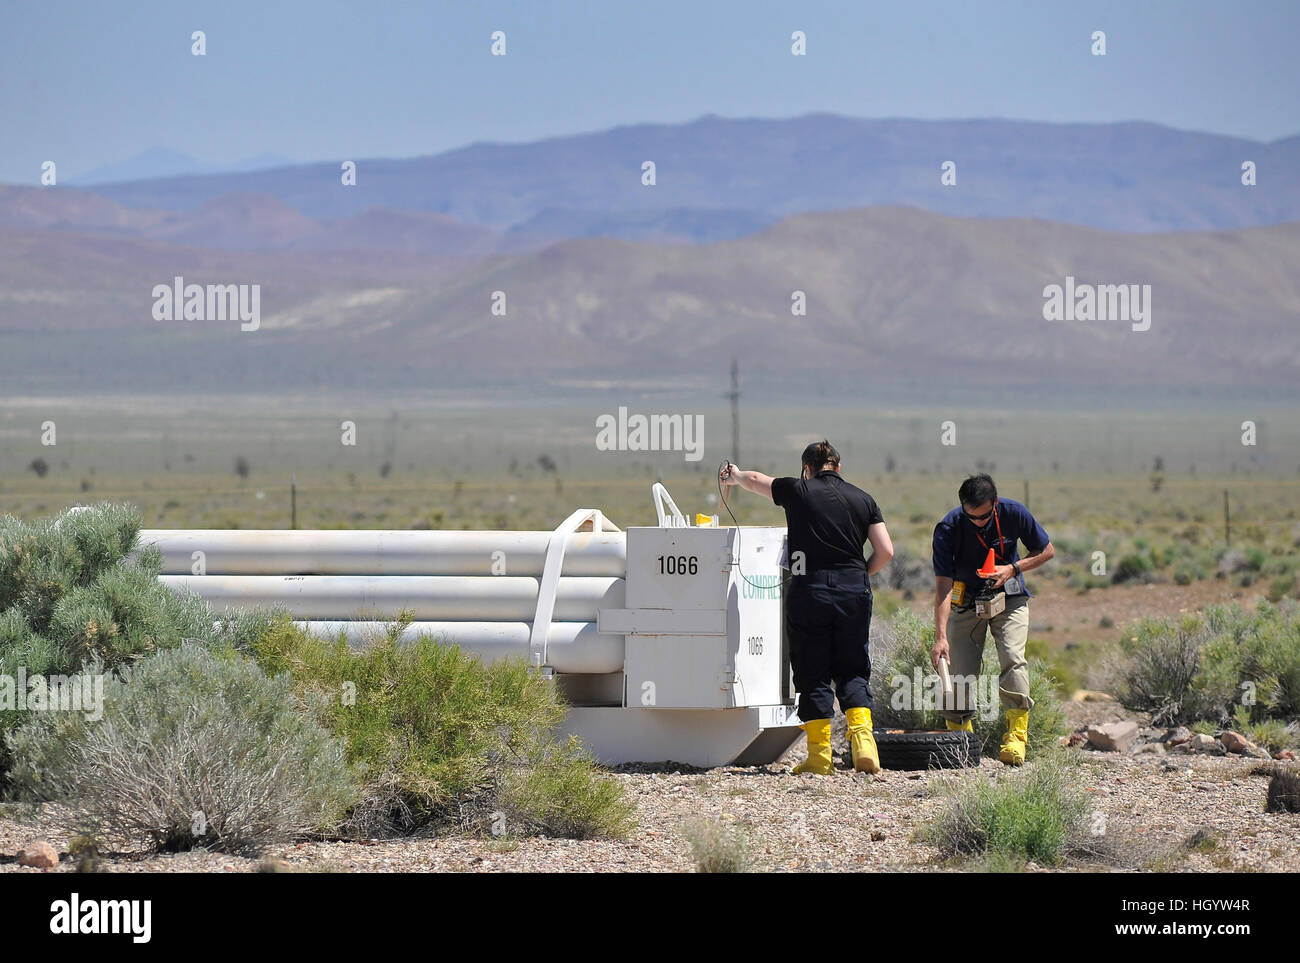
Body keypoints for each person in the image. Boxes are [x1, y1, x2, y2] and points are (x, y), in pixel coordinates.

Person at [720, 439, 893, 775]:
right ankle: (863, 745)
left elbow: (757, 480)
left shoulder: (797, 490)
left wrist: (735, 476)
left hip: (809, 591)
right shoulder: (864, 499)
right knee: (853, 665)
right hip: (853, 592)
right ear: (838, 467)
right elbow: (885, 550)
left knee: (812, 668)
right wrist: (858, 575)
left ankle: (819, 756)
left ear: (807, 468)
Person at [929, 473, 1054, 765]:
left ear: (995, 504)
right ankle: (960, 741)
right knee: (959, 669)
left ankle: (1016, 738)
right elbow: (943, 585)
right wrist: (940, 636)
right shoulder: (948, 527)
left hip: (1009, 598)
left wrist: (1012, 568)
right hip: (965, 601)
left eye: (984, 517)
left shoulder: (1014, 512)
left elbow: (1046, 551)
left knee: (1013, 658)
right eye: (971, 518)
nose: (979, 523)